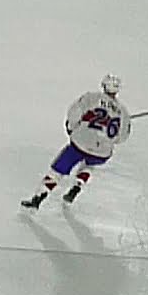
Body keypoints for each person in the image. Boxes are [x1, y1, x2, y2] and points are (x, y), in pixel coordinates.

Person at [22, 74, 130, 209]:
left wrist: (73, 128)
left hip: (81, 142)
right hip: (102, 152)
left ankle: (38, 198)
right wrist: (109, 139)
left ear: (103, 85)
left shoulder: (91, 97)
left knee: (58, 171)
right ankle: (78, 184)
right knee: (89, 164)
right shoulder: (123, 112)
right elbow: (122, 136)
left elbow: (74, 113)